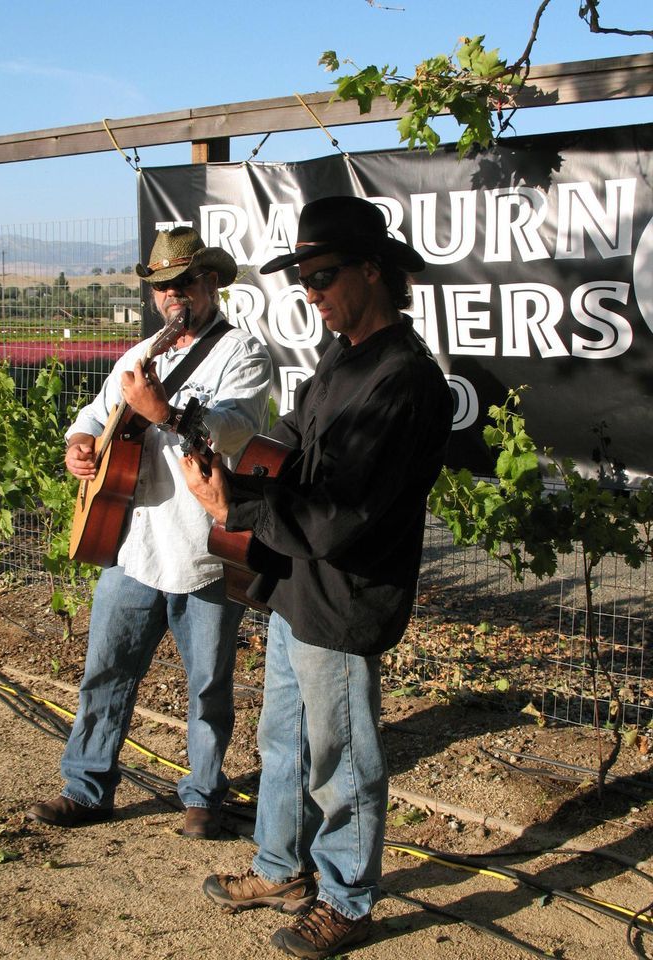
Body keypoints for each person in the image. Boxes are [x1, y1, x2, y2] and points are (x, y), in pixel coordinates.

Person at [182, 195, 454, 959]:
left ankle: (347, 899)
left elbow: (337, 517)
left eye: (324, 274)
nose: (312, 292)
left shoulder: (403, 380)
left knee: (342, 757)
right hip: (299, 584)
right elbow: (295, 445)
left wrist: (237, 504)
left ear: (375, 271)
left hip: (344, 592)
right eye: (303, 278)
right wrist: (235, 474)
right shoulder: (342, 355)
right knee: (285, 739)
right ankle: (280, 868)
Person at [27, 227, 272, 840]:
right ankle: (86, 788)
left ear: (211, 283)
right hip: (133, 546)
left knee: (209, 687)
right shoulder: (141, 354)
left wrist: (164, 412)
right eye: (162, 288)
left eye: (183, 284)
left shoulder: (243, 353)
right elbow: (93, 416)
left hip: (203, 549)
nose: (172, 297)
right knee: (105, 671)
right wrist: (78, 447)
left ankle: (204, 796)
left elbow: (233, 430)